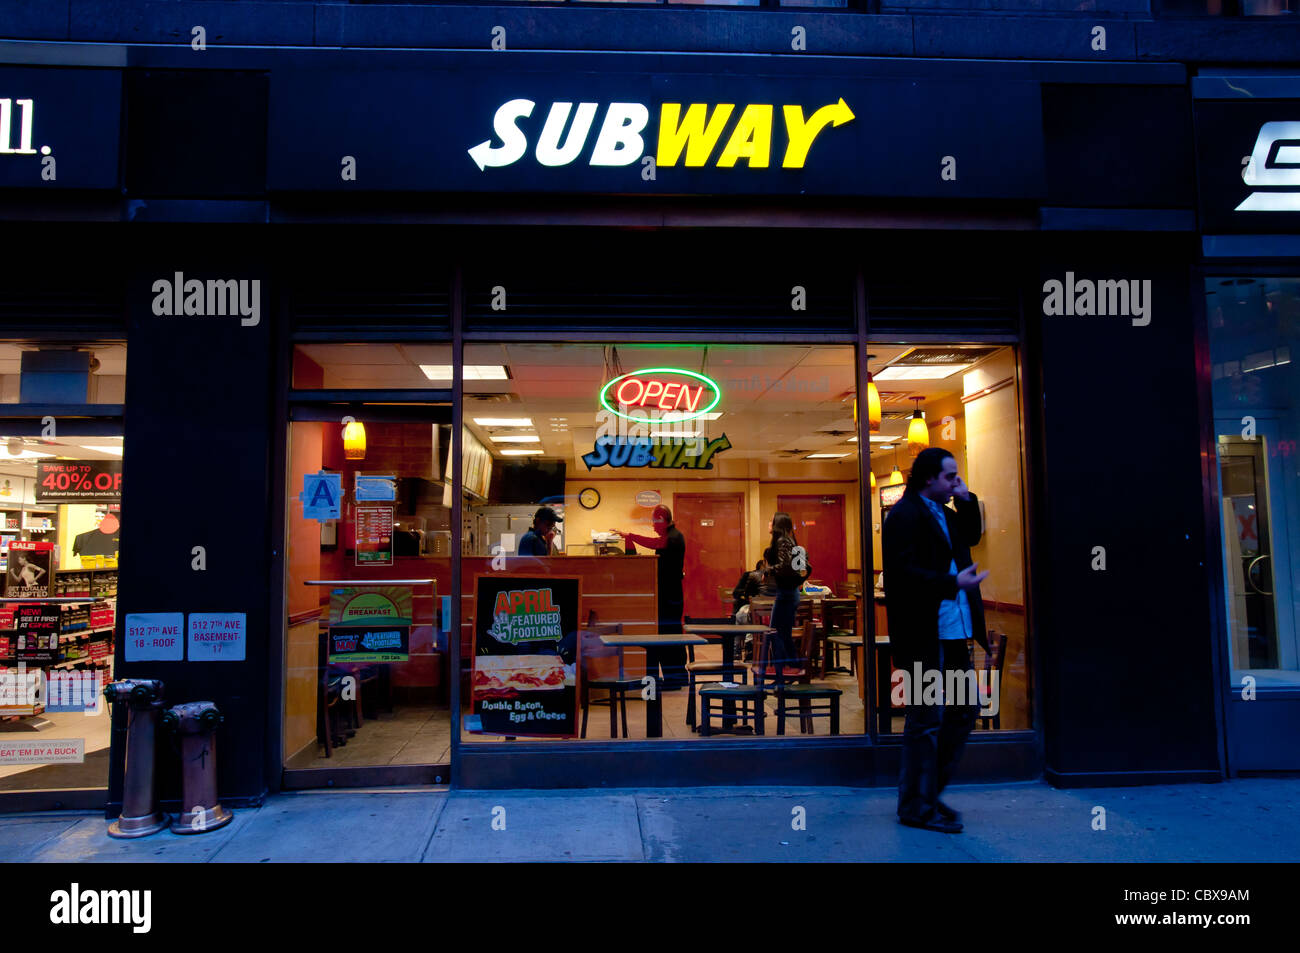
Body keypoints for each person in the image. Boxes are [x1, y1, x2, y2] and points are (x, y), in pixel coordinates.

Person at [883, 446, 991, 834]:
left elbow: (972, 535)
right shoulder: (904, 515)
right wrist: (952, 583)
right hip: (923, 635)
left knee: (963, 711)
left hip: (953, 633)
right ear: (928, 477)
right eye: (950, 477)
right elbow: (902, 574)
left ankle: (929, 795)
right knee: (925, 720)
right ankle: (916, 807)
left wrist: (966, 500)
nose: (955, 483)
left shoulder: (944, 513)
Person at [609, 504, 687, 690]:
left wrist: (630, 536)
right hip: (671, 595)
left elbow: (655, 544)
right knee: (671, 636)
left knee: (669, 637)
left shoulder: (674, 537)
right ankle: (676, 678)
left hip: (670, 597)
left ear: (663, 520)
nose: (653, 525)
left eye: (654, 521)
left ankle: (675, 679)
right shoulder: (672, 536)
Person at [763, 512, 810, 669]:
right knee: (783, 633)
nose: (769, 523)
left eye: (772, 520)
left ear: (778, 524)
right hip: (790, 592)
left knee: (775, 632)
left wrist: (768, 570)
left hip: (786, 593)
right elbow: (802, 568)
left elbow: (785, 567)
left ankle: (784, 670)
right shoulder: (789, 540)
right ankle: (792, 667)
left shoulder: (783, 541)